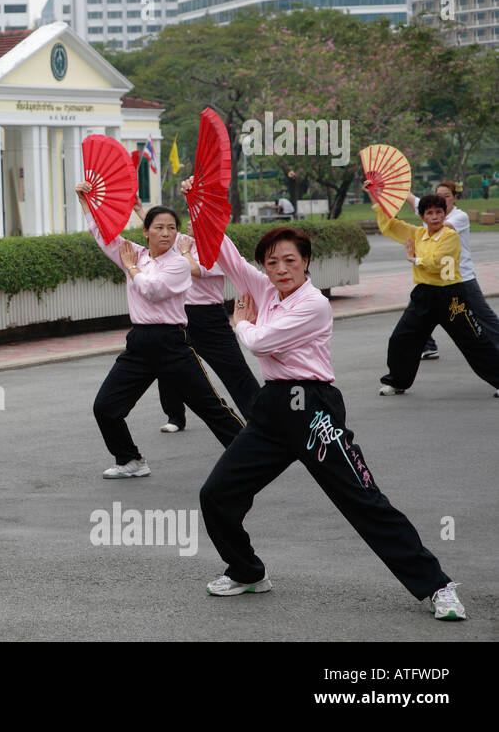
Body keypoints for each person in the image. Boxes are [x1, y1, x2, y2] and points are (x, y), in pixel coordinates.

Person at [196, 218, 465, 620]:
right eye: (272, 262)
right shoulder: (262, 288)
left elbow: (260, 342)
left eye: (290, 260)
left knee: (362, 499)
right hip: (272, 408)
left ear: (306, 262)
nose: (281, 269)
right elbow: (225, 254)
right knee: (216, 494)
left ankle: (437, 586)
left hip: (314, 410)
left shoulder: (313, 305)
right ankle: (247, 571)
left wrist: (241, 323)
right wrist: (199, 208)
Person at [75, 184, 243, 479]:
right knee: (105, 407)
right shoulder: (134, 254)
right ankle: (130, 460)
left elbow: (152, 291)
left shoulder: (178, 264)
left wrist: (133, 270)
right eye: (159, 227)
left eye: (172, 228)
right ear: (146, 231)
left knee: (212, 409)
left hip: (172, 343)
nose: (166, 233)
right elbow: (103, 235)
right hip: (139, 344)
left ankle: (252, 454)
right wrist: (86, 201)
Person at [374, 194, 499, 396]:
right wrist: (377, 198)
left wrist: (414, 259)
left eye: (439, 212)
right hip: (424, 295)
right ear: (422, 216)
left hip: (451, 296)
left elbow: (438, 262)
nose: (435, 217)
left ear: (444, 214)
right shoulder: (417, 234)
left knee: (474, 341)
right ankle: (397, 382)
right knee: (401, 339)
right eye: (429, 213)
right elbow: (390, 226)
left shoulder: (450, 235)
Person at [153, 222, 261, 435]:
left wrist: (184, 252)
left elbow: (195, 269)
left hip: (209, 318)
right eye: (191, 220)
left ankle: (260, 416)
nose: (191, 226)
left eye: (197, 221)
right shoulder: (182, 241)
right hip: (180, 314)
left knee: (234, 369)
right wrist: (139, 209)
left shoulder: (215, 249)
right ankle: (175, 416)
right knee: (168, 366)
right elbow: (159, 228)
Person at [407, 182, 499, 386]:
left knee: (483, 318)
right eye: (438, 196)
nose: (442, 199)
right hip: (434, 282)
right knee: (418, 316)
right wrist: (380, 188)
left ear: (455, 197)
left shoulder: (459, 217)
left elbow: (440, 226)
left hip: (462, 279)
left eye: (447, 196)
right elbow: (409, 196)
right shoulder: (431, 211)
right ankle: (428, 346)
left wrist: (417, 257)